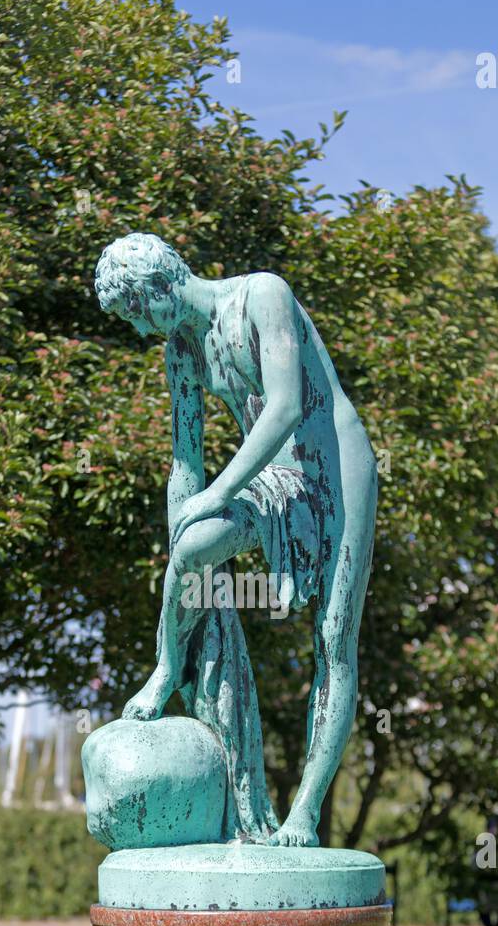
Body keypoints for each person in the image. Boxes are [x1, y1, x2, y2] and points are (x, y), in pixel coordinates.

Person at [94, 232, 378, 847]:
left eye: (137, 312)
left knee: (333, 638)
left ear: (158, 287)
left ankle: (304, 811)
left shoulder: (262, 295)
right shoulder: (182, 352)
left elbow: (282, 407)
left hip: (336, 469)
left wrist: (217, 495)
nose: (141, 328)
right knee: (195, 552)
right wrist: (182, 534)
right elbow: (184, 463)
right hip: (273, 473)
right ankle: (168, 665)